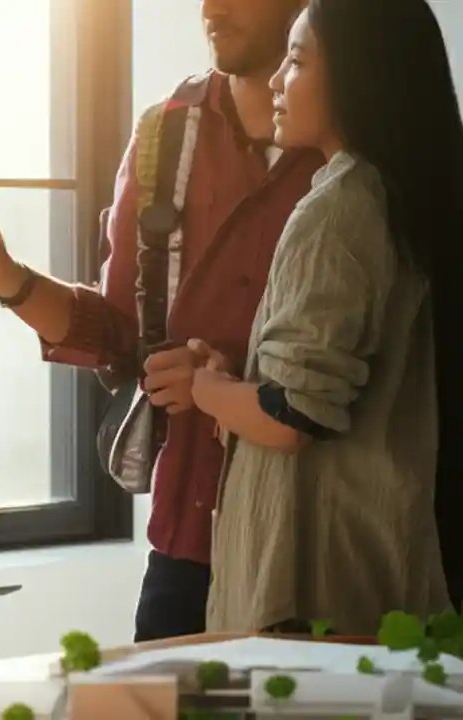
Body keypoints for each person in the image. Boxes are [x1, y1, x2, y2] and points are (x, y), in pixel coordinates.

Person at [0, 0, 323, 642]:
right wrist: (6, 275)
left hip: (321, 541)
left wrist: (223, 388)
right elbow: (118, 332)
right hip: (190, 537)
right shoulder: (167, 135)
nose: (211, 8)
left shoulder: (359, 152)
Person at [190, 0, 459, 633]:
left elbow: (292, 416)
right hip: (381, 556)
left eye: (297, 59)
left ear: (361, 76)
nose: (279, 80)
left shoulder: (339, 205)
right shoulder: (403, 194)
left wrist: (210, 390)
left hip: (314, 580)